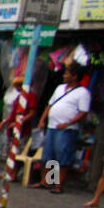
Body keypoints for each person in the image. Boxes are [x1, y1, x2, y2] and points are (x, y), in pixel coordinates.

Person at [36, 64, 91, 194]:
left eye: (67, 73)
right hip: (52, 126)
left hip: (67, 128)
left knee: (63, 155)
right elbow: (50, 104)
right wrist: (43, 119)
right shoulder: (60, 88)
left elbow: (83, 112)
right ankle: (48, 181)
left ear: (75, 76)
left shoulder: (83, 92)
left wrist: (68, 123)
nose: (64, 75)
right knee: (49, 154)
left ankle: (58, 184)